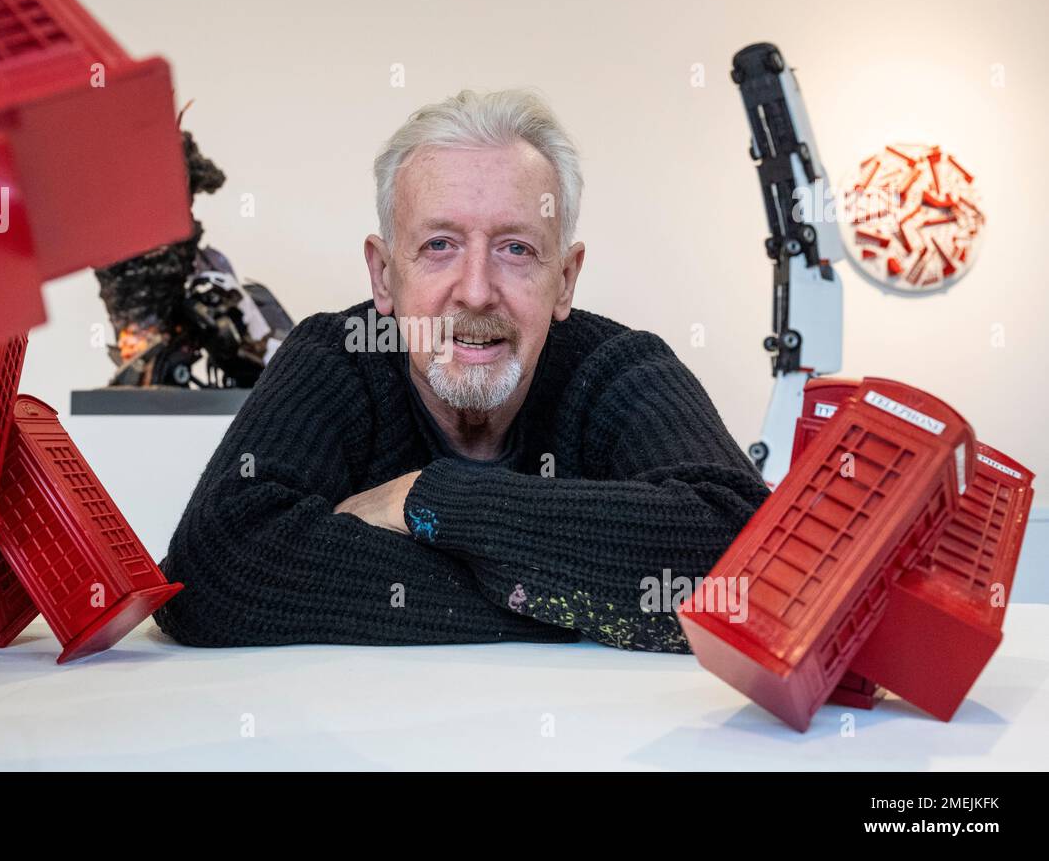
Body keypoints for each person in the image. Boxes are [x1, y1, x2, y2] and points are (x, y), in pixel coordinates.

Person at [154, 88, 769, 651]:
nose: (475, 292)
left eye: (516, 249)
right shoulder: (339, 355)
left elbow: (750, 568)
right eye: (439, 245)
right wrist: (574, 596)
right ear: (383, 275)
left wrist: (424, 500)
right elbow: (215, 572)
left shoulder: (619, 369)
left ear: (565, 279)